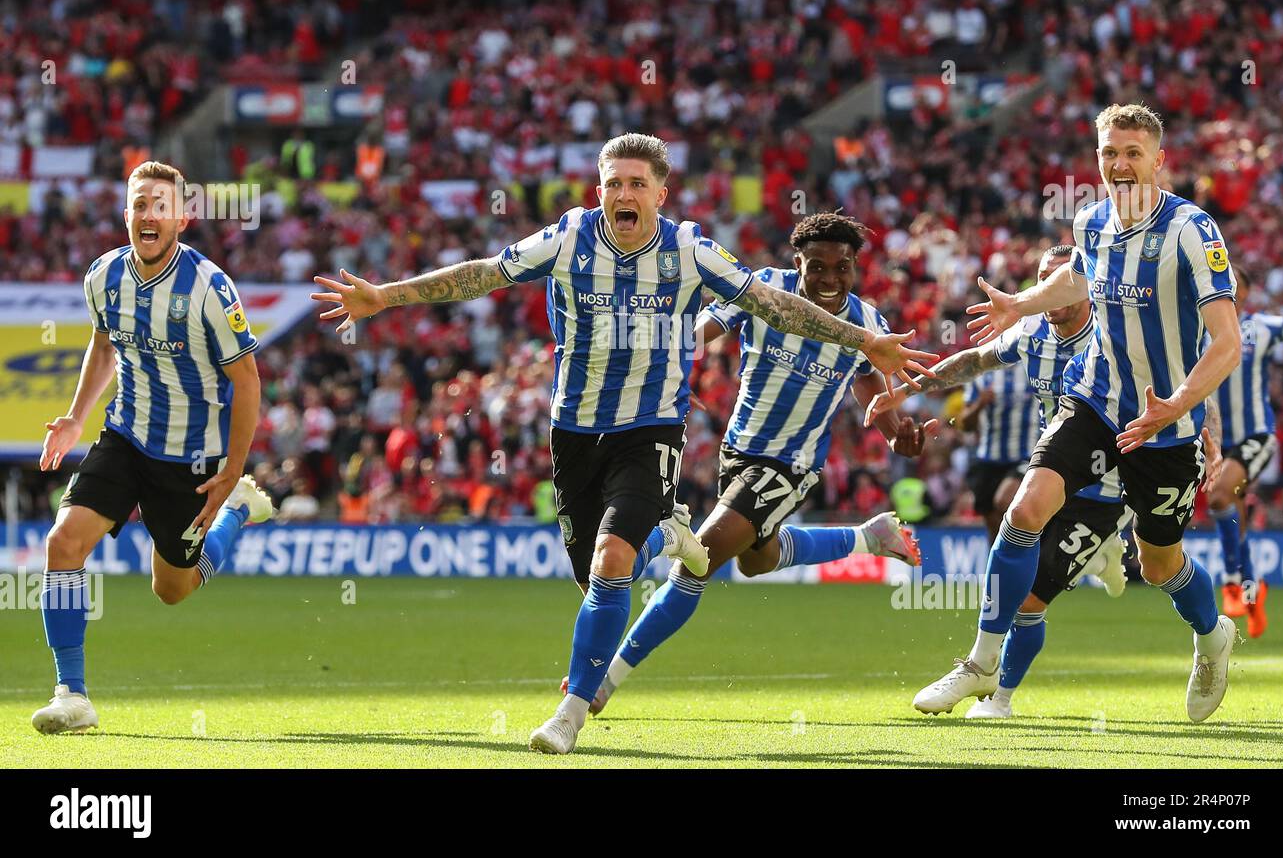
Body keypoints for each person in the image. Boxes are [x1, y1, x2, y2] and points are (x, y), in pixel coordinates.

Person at [311, 133, 938, 754]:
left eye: (638, 183)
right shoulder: (567, 239)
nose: (624, 193)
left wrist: (862, 344)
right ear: (600, 190)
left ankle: (573, 709)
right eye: (614, 182)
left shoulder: (690, 250)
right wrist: (386, 296)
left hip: (655, 430)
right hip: (576, 434)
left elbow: (771, 304)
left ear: (661, 194)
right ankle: (680, 534)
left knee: (620, 560)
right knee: (607, 577)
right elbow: (484, 275)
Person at [911, 103, 1242, 722]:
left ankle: (1210, 635)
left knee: (1159, 560)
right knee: (1024, 509)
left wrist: (1176, 406)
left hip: (1167, 427)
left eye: (1133, 153)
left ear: (1158, 161)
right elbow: (1076, 282)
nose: (1120, 165)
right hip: (1095, 401)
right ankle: (981, 664)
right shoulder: (1091, 224)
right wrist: (1021, 304)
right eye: (1109, 153)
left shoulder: (1192, 232)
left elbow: (1227, 342)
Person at [578, 212, 936, 716]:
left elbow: (868, 384)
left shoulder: (867, 325)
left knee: (697, 560)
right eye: (818, 267)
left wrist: (897, 432)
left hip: (791, 466)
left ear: (856, 267)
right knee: (756, 560)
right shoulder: (764, 289)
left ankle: (602, 680)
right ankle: (869, 537)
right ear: (797, 263)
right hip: (738, 452)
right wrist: (676, 357)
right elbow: (704, 329)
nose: (830, 279)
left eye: (843, 267)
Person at [871, 245, 1214, 718]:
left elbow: (1180, 367)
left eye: (1063, 284)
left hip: (1111, 484)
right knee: (1022, 537)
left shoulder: (1113, 332)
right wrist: (908, 391)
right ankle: (996, 694)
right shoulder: (1031, 331)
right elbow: (972, 361)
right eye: (1042, 283)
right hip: (1065, 461)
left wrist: (1204, 430)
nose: (1052, 296)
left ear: (1087, 287)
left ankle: (1208, 632)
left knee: (1157, 568)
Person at [33, 161, 274, 735]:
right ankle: (72, 694)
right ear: (127, 214)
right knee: (63, 543)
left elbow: (247, 383)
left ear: (183, 218)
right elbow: (103, 342)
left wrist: (230, 470)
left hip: (191, 461)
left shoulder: (211, 289)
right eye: (140, 204)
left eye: (160, 206)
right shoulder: (102, 275)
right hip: (125, 436)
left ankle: (237, 510)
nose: (149, 215)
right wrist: (75, 416)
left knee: (173, 590)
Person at [1205, 268, 1283, 638]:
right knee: (1232, 510)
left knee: (1220, 495)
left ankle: (1230, 583)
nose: (1229, 290)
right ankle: (1251, 589)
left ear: (1244, 292)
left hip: (1256, 436)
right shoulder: (1199, 330)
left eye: (1235, 285)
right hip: (1216, 441)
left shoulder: (1260, 327)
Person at [958, 351, 1039, 545]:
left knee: (1004, 502)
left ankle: (1029, 556)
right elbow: (964, 424)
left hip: (1027, 455)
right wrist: (980, 404)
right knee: (992, 523)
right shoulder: (980, 371)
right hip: (988, 458)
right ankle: (999, 572)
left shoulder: (1034, 367)